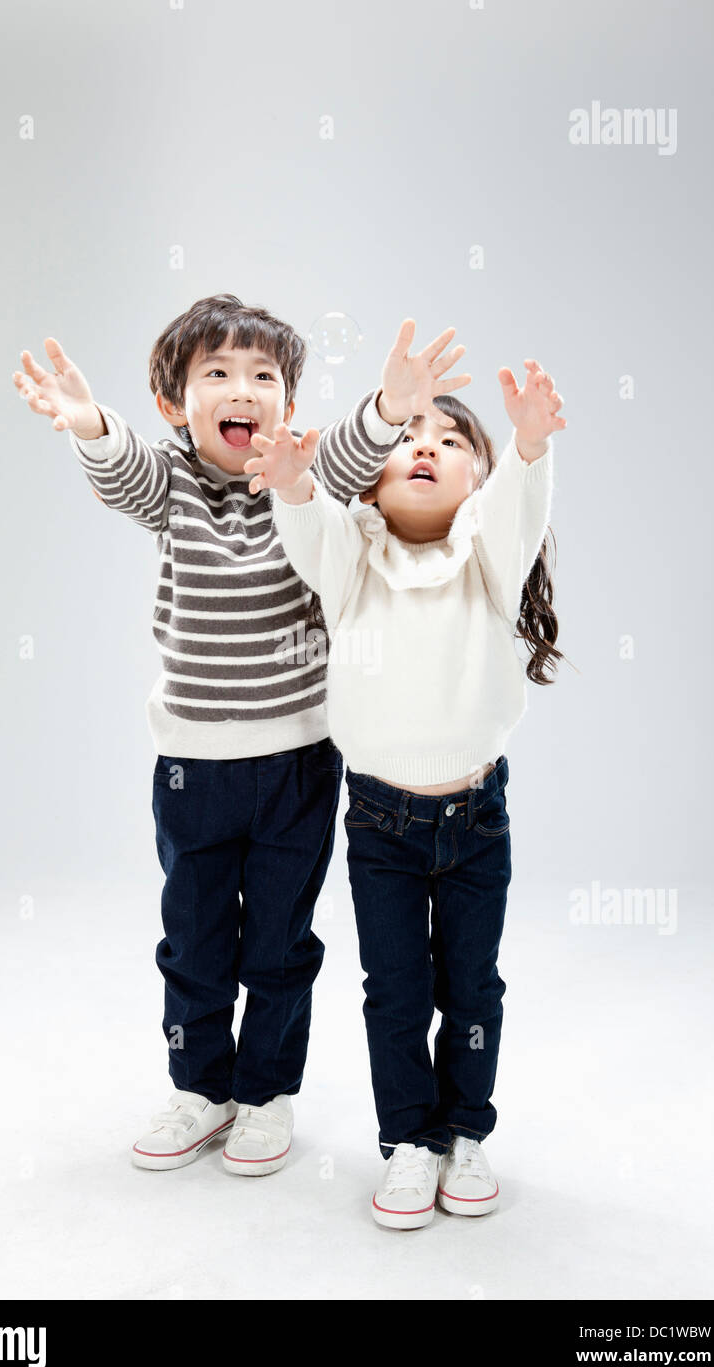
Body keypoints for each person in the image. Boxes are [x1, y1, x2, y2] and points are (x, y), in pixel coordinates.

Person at [11, 294, 470, 1178]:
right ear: (178, 407)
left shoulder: (303, 470)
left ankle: (265, 1094)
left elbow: (356, 447)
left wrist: (386, 405)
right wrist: (88, 423)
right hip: (192, 766)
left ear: (288, 407)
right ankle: (201, 1089)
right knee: (193, 940)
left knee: (279, 944)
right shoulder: (173, 481)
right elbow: (123, 473)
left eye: (264, 377)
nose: (243, 389)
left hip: (296, 759)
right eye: (217, 373)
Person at [251, 360, 566, 1225]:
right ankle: (409, 1143)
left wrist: (531, 444)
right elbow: (309, 523)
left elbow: (520, 508)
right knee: (394, 988)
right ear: (374, 480)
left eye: (450, 440)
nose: (425, 446)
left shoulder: (486, 558)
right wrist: (292, 482)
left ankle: (465, 1131)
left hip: (477, 821)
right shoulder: (354, 561)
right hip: (381, 825)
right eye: (406, 441)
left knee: (471, 986)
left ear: (477, 478)